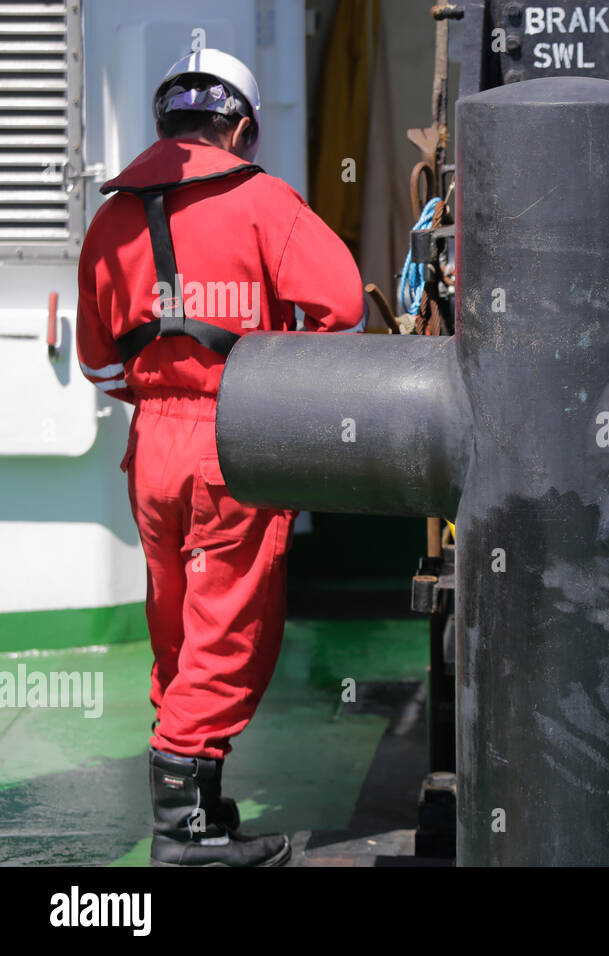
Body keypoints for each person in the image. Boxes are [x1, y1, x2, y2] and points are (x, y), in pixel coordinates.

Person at [76, 48, 366, 866]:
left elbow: (100, 364)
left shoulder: (110, 218)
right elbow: (342, 313)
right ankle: (186, 842)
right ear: (238, 126)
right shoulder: (263, 201)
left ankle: (201, 814)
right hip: (234, 441)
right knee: (228, 628)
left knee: (176, 630)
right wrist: (261, 377)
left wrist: (164, 386)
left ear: (165, 125)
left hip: (152, 450)